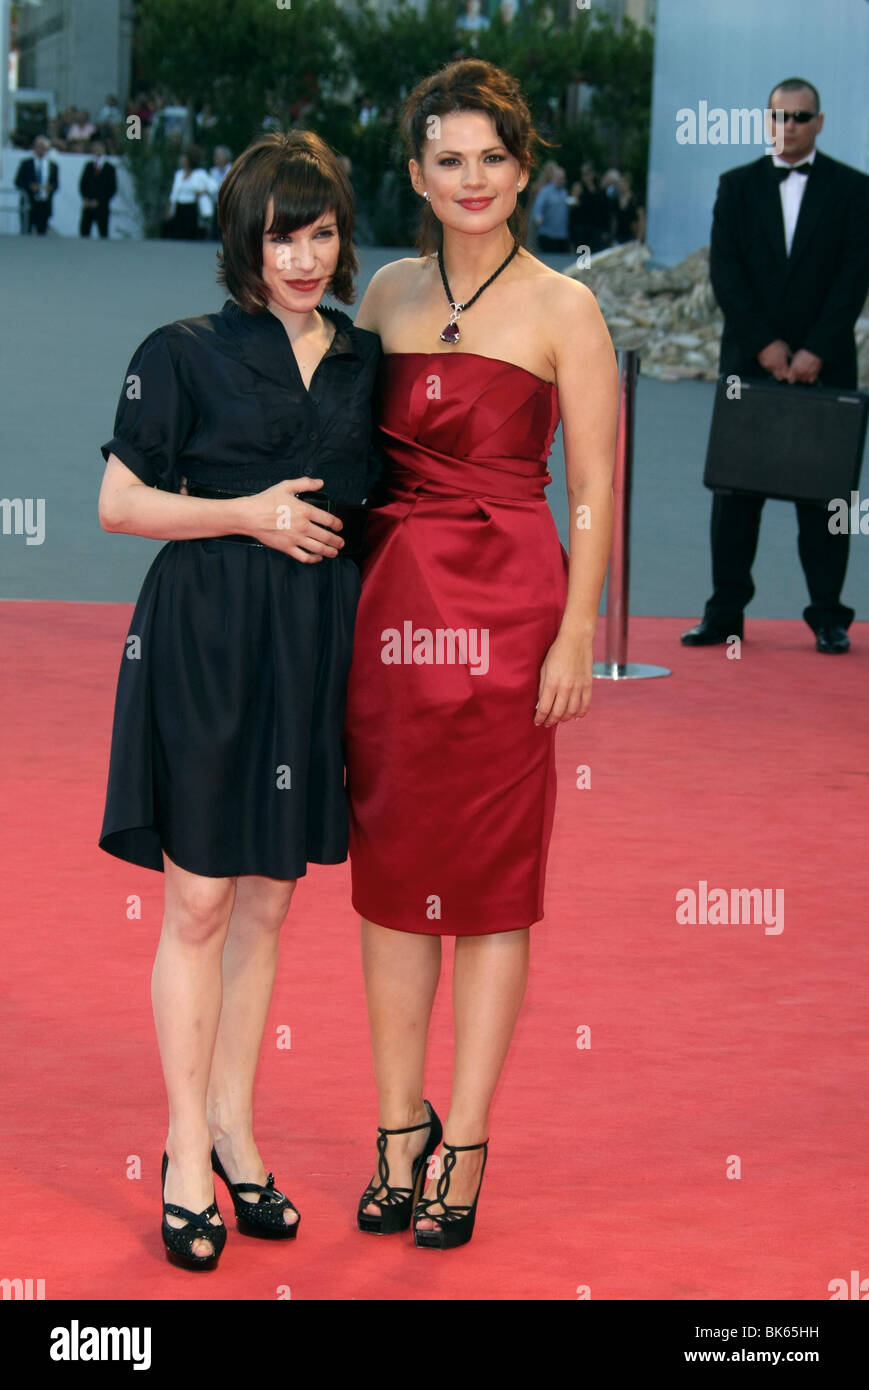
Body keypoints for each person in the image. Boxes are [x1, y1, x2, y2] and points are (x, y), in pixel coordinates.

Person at [344, 58, 617, 1249]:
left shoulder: (566, 307)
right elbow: (343, 464)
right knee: (394, 888)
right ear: (415, 173)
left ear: (524, 171)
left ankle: (465, 1140)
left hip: (509, 622)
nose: (472, 180)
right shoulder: (381, 296)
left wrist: (574, 639)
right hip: (389, 620)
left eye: (493, 159)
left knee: (489, 889)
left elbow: (597, 493)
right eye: (447, 159)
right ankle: (396, 1130)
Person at [97, 130, 382, 1269]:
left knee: (269, 898)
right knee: (200, 901)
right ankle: (180, 1147)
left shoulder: (363, 359)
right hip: (206, 637)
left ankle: (234, 1127)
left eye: (320, 234)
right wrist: (248, 512)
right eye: (281, 236)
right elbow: (120, 503)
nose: (303, 257)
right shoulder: (180, 353)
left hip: (312, 645)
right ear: (242, 242)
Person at [682, 77, 869, 655]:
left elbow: (854, 277)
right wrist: (765, 344)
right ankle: (725, 613)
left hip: (826, 365)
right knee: (735, 498)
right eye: (779, 117)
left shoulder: (853, 190)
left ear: (820, 122)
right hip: (748, 364)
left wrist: (815, 347)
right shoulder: (735, 187)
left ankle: (828, 618)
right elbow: (727, 274)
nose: (788, 127)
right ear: (767, 120)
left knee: (826, 500)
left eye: (801, 117)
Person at [162, 148, 217, 240]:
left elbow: (213, 186)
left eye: (184, 159)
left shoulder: (200, 174)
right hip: (180, 207)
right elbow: (174, 194)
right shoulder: (179, 174)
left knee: (190, 234)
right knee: (178, 234)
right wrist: (170, 209)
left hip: (192, 207)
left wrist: (203, 192)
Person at [15, 135, 59, 235]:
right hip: (29, 202)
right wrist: (30, 186)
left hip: (44, 203)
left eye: (43, 147)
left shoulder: (53, 166)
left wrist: (50, 188)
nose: (41, 150)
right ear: (34, 148)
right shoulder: (26, 164)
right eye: (38, 147)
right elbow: (18, 181)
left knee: (42, 232)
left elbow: (55, 184)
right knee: (26, 231)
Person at [79, 140, 117, 238]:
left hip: (102, 206)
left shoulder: (110, 168)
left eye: (99, 147)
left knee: (103, 232)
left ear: (104, 149)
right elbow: (83, 184)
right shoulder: (88, 166)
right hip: (88, 205)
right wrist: (85, 198)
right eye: (95, 147)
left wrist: (99, 201)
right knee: (84, 231)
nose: (97, 149)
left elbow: (112, 189)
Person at [532, 163, 570, 252]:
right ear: (554, 178)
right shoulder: (545, 192)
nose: (561, 180)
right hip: (547, 235)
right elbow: (538, 207)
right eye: (559, 178)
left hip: (562, 235)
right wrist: (538, 217)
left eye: (562, 178)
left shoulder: (565, 192)